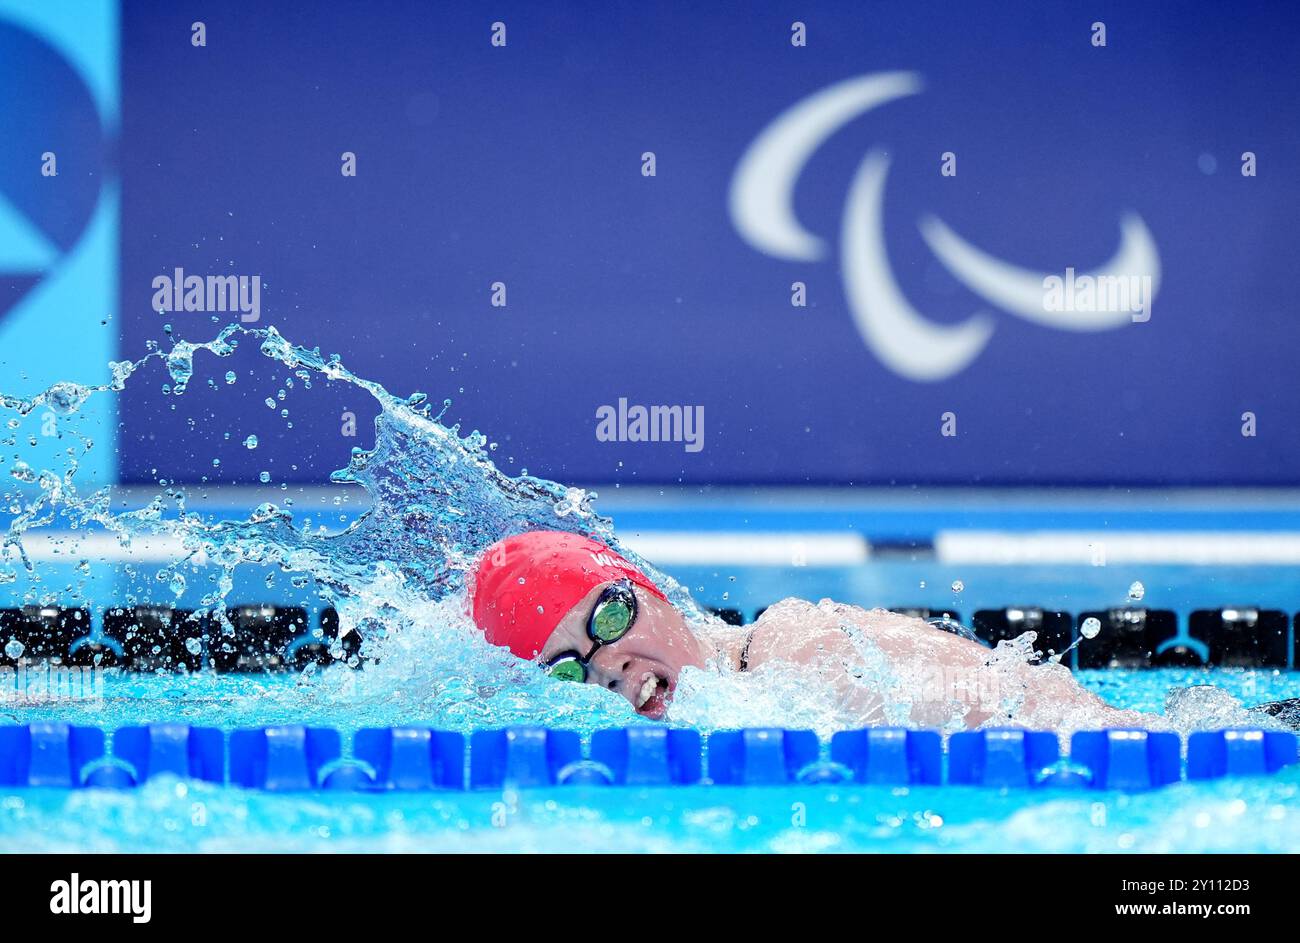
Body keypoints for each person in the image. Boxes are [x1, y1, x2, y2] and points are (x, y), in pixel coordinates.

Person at [468, 530, 1172, 729]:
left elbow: (1061, 717)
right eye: (571, 667)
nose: (610, 665)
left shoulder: (805, 655)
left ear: (647, 590)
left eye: (609, 616)